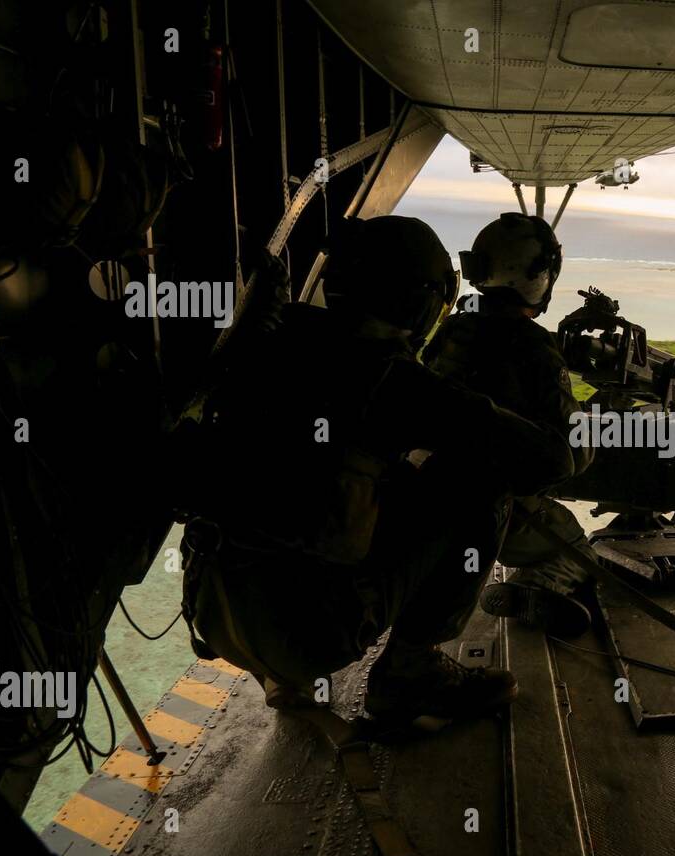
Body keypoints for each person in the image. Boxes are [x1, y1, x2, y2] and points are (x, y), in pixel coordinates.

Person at [175, 215, 578, 725]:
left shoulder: (276, 337)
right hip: (306, 638)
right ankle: (409, 674)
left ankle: (281, 673)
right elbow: (550, 460)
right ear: (421, 302)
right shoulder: (393, 381)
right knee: (480, 483)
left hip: (212, 614)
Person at [422, 212, 597, 638]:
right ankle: (536, 585)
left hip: (429, 492)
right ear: (538, 275)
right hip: (494, 509)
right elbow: (571, 456)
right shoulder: (533, 345)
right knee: (577, 550)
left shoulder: (452, 329)